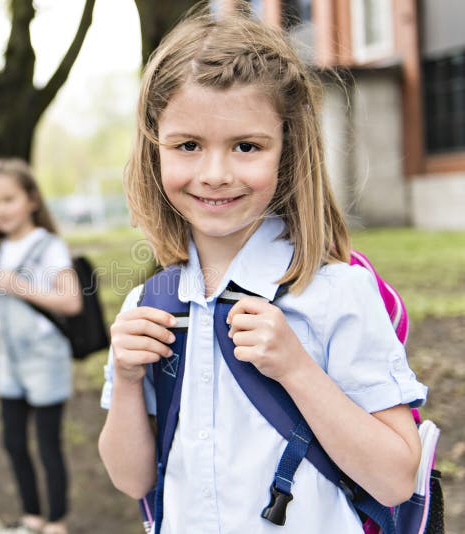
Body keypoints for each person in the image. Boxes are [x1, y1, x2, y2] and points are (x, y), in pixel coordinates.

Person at [97, 9, 428, 534]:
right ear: (154, 149)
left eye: (246, 146)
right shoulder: (149, 306)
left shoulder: (338, 292)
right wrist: (130, 381)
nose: (215, 174)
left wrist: (297, 370)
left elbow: (395, 480)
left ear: (288, 150)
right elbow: (131, 479)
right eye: (188, 146)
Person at [0, 159, 81, 534]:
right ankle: (31, 515)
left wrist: (20, 287)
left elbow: (71, 302)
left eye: (9, 199)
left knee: (48, 445)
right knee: (13, 441)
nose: (0, 209)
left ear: (31, 200)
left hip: (45, 356)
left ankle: (56, 520)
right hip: (10, 359)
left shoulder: (48, 247)